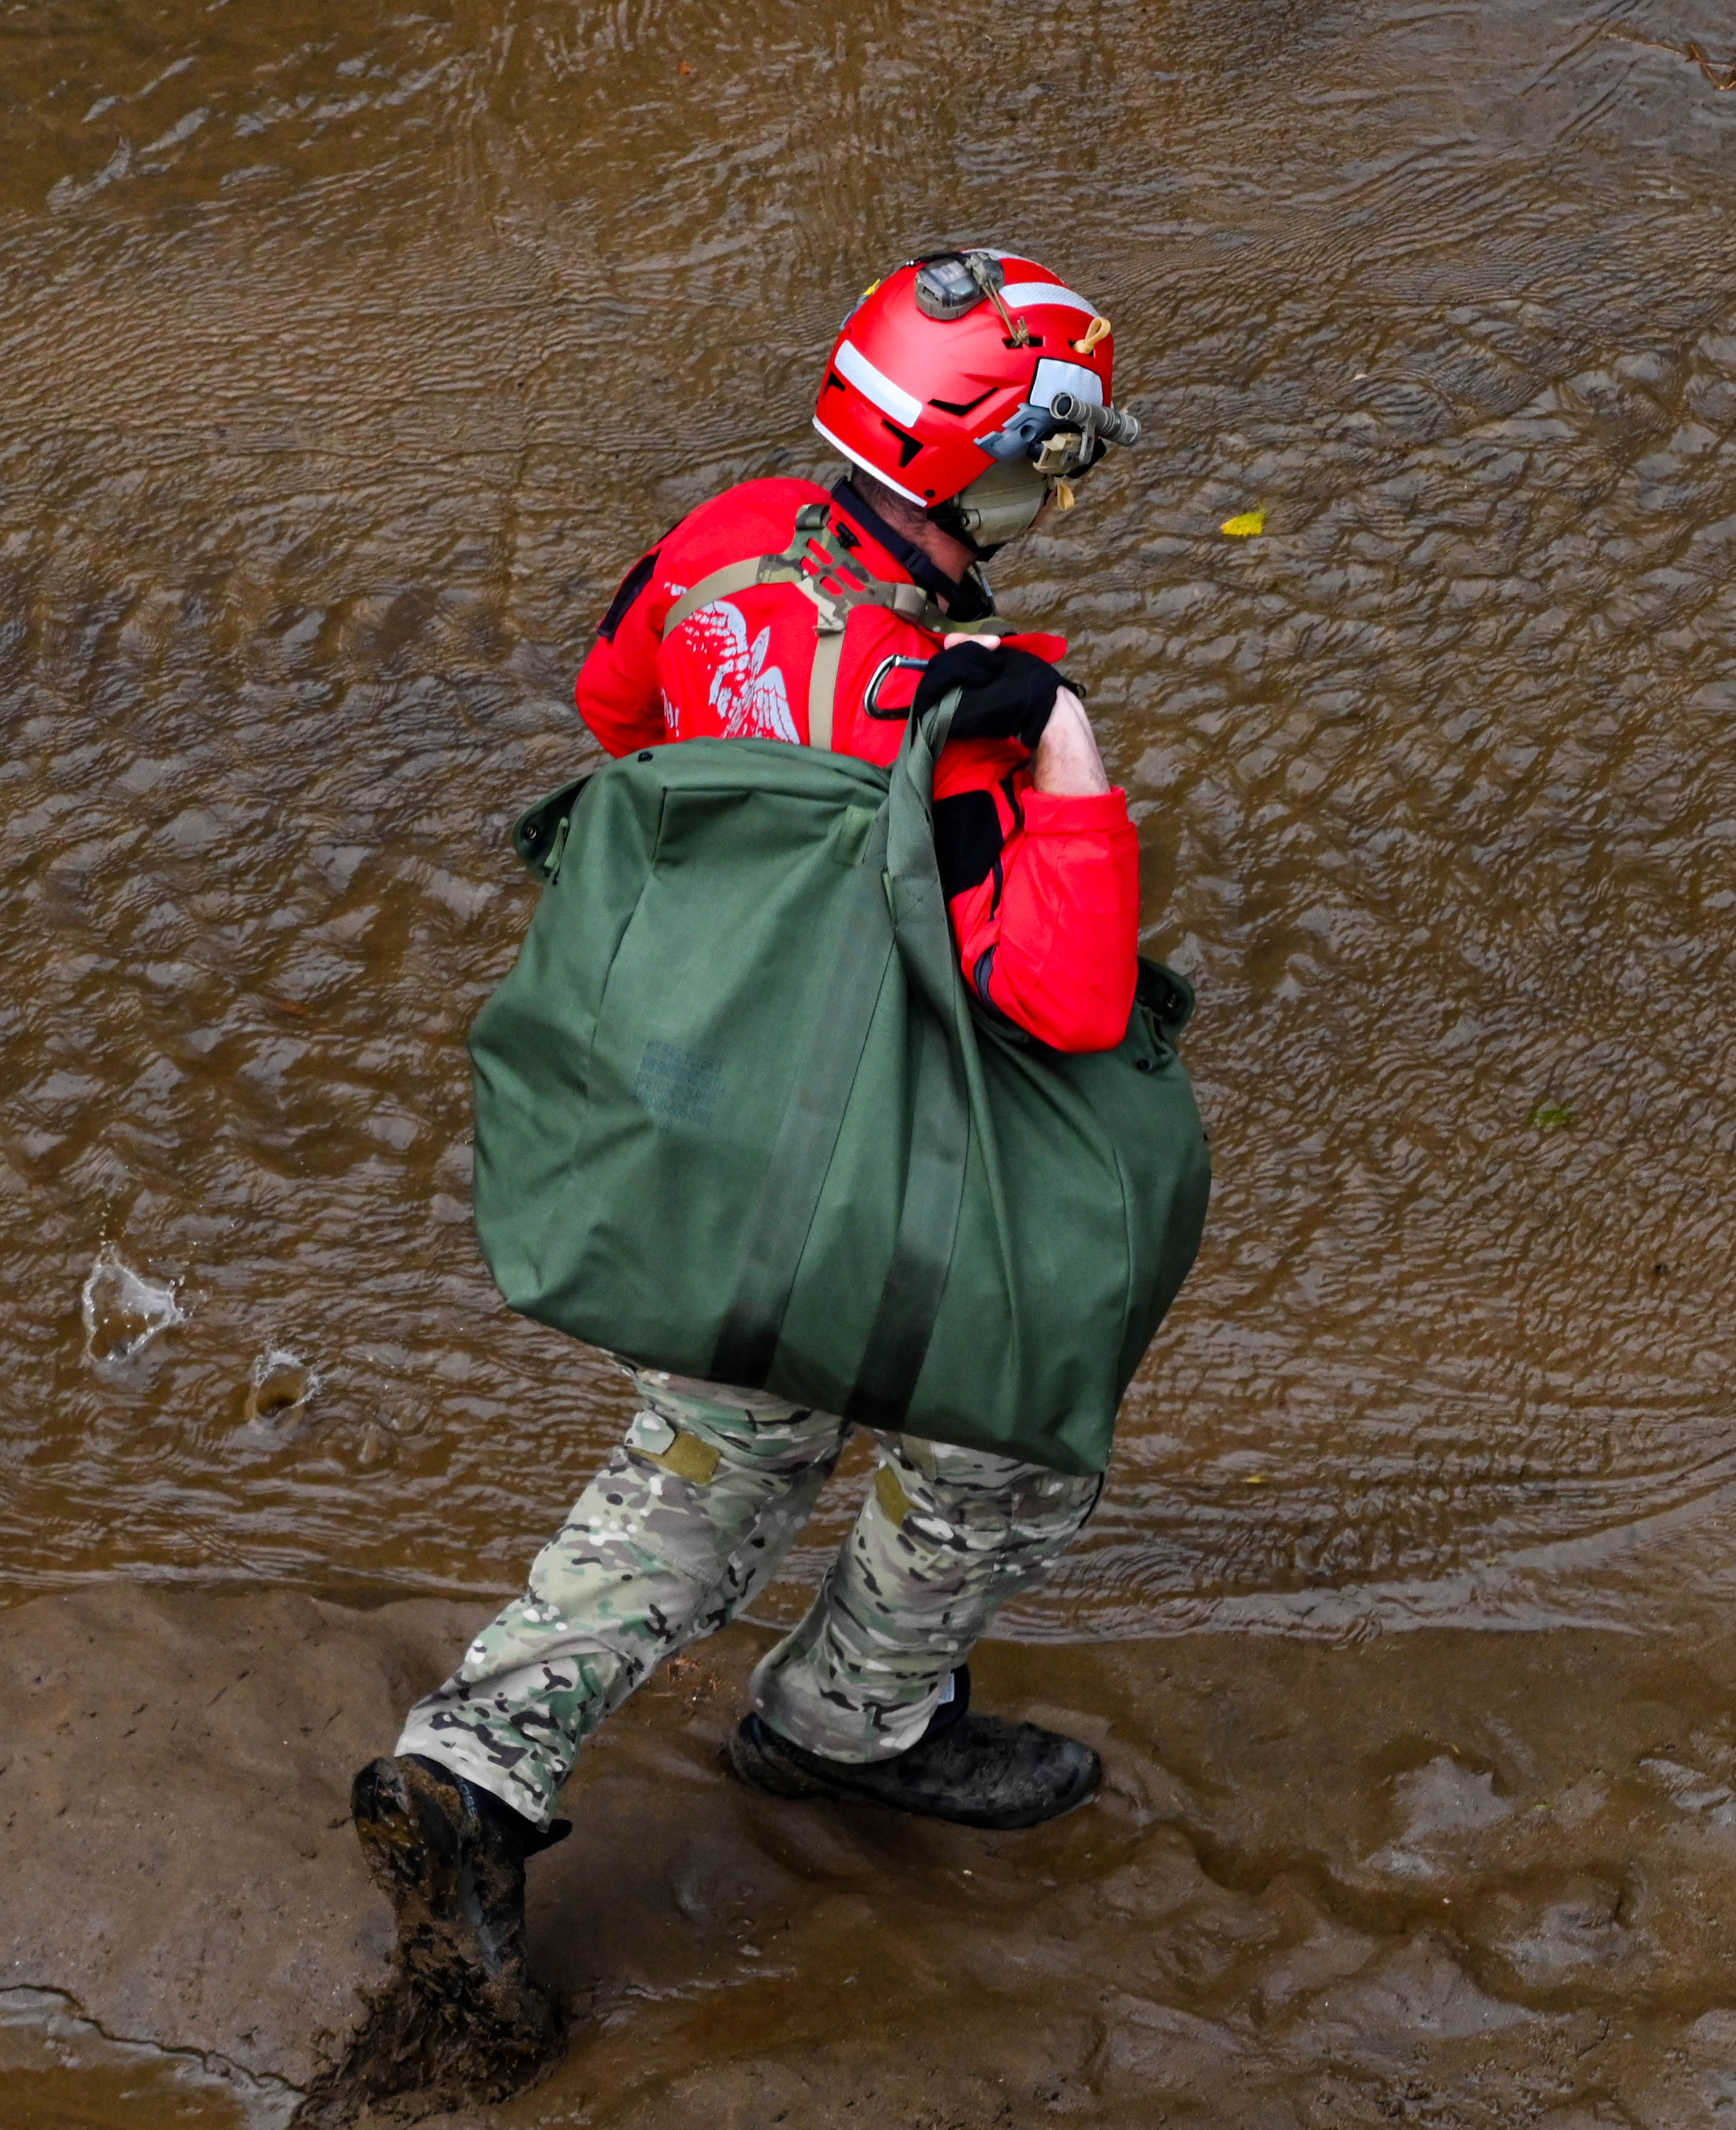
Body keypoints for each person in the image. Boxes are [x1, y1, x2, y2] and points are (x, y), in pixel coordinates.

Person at [345, 249, 1147, 2083]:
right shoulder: (978, 707)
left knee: (711, 1444)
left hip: (688, 1090)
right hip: (853, 1145)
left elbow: (616, 711)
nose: (1052, 499)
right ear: (987, 468)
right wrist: (1073, 755)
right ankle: (852, 1716)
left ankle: (476, 1759)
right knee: (1006, 1434)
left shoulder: (722, 538)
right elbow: (1071, 992)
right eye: (1049, 466)